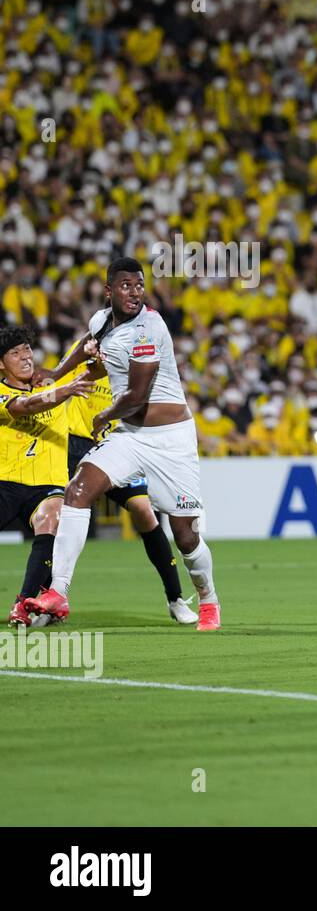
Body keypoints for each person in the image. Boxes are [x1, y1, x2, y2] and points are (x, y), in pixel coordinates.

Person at [26, 258, 222, 632]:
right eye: (126, 286)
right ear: (109, 290)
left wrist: (103, 417)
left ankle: (209, 598)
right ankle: (58, 592)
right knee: (78, 490)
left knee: (184, 534)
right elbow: (90, 347)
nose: (134, 292)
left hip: (170, 440)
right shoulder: (102, 321)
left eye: (139, 286)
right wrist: (56, 373)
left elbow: (135, 396)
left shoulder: (149, 328)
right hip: (131, 437)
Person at [61, 341, 193, 623]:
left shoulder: (138, 363)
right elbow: (59, 377)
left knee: (144, 512)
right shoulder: (86, 351)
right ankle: (52, 597)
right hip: (75, 444)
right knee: (60, 518)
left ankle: (175, 598)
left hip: (118, 445)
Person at [0, 325, 92, 625]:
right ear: (2, 364)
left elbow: (90, 362)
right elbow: (25, 406)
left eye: (27, 349)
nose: (25, 356)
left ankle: (24, 604)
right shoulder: (2, 392)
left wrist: (94, 352)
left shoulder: (52, 377)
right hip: (6, 482)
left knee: (51, 518)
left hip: (48, 484)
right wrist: (65, 389)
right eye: (15, 353)